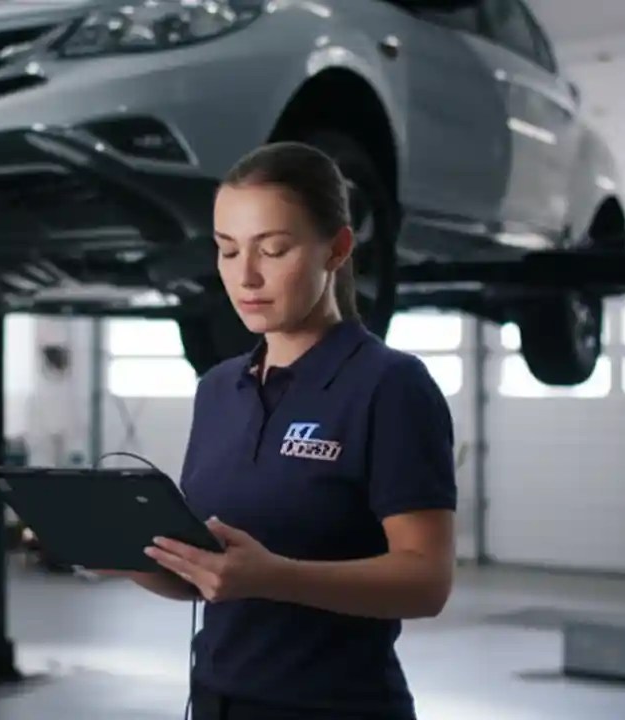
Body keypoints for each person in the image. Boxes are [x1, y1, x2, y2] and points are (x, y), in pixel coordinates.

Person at [112, 142, 457, 719]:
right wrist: (123, 554)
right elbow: (209, 578)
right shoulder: (219, 389)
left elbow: (426, 581)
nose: (245, 276)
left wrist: (278, 577)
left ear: (337, 249)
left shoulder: (390, 385)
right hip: (218, 704)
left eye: (273, 249)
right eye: (227, 251)